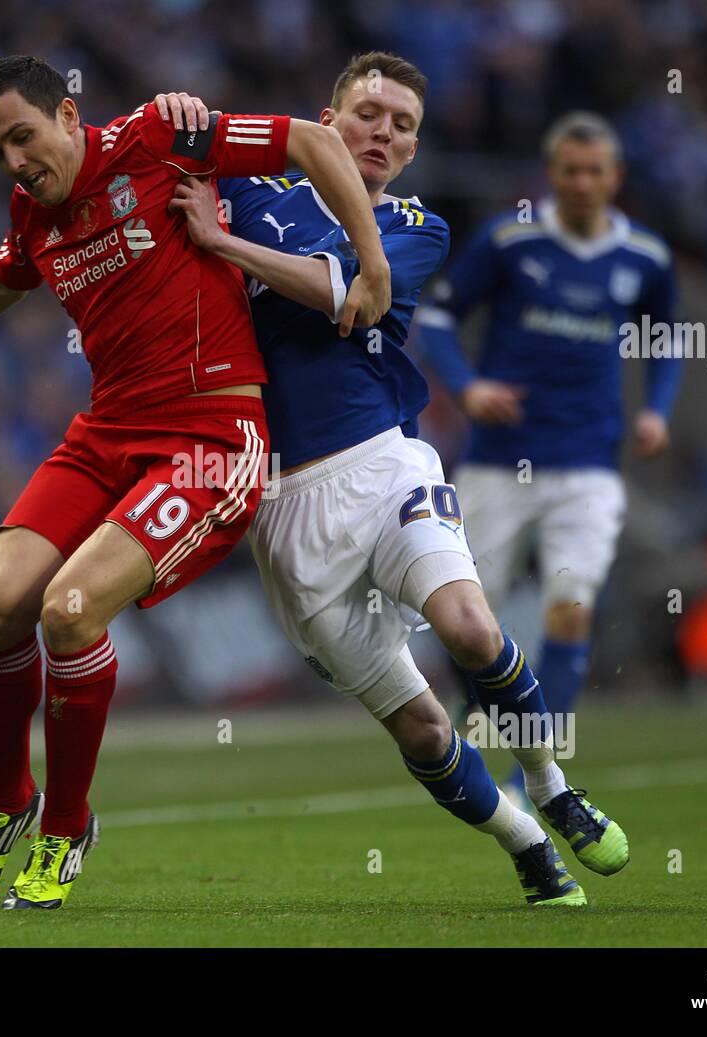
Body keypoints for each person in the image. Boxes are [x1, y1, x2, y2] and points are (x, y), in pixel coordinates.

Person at [0, 55, 391, 910]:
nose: (14, 162)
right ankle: (5, 803)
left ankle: (64, 830)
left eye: (23, 136)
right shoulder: (34, 211)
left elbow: (313, 139)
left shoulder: (160, 137)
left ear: (67, 114)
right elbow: (3, 274)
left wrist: (370, 260)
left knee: (69, 608)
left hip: (210, 434)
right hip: (109, 431)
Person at [154, 52, 629, 907]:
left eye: (404, 125)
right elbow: (165, 158)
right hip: (282, 503)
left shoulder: (417, 226)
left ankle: (552, 786)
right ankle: (523, 843)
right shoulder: (261, 188)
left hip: (382, 460)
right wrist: (177, 110)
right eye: (369, 113)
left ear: (413, 150)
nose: (384, 132)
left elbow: (350, 298)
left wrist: (222, 243)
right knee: (420, 723)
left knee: (471, 628)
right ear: (326, 122)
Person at [418, 111, 682, 803]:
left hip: (589, 463)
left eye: (596, 171)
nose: (583, 182)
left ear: (616, 177)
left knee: (570, 606)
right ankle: (476, 724)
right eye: (570, 169)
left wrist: (655, 409)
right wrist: (469, 386)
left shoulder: (645, 259)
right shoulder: (509, 241)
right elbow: (440, 314)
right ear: (552, 174)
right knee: (466, 617)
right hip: (498, 461)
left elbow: (666, 338)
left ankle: (537, 772)